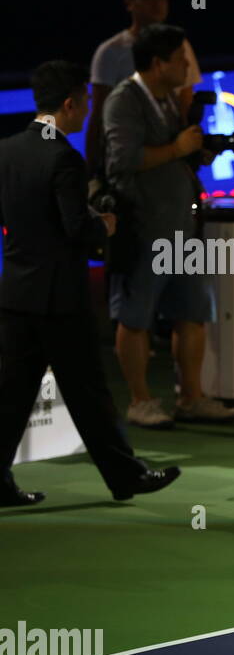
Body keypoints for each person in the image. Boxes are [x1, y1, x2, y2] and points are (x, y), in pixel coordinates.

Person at [0, 61, 181, 507]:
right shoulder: (63, 156)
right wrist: (105, 226)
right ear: (68, 104)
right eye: (83, 103)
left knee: (12, 396)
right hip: (60, 299)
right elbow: (75, 229)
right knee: (89, 393)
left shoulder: (7, 150)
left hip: (17, 293)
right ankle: (125, 476)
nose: (87, 113)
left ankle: (122, 475)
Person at [103, 22, 234, 428]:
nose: (187, 66)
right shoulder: (124, 101)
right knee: (136, 316)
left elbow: (170, 154)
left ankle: (191, 398)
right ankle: (140, 401)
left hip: (183, 225)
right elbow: (121, 163)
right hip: (143, 228)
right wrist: (176, 148)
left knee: (192, 312)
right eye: (181, 60)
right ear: (159, 64)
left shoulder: (166, 100)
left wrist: (194, 154)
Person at [87, 0, 203, 179]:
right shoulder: (110, 55)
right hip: (133, 172)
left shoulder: (182, 45)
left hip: (173, 170)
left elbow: (185, 107)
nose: (156, 3)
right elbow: (98, 118)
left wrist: (192, 151)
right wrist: (92, 175)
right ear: (129, 2)